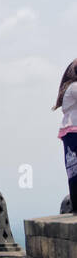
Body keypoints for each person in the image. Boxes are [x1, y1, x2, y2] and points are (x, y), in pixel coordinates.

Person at [54, 58, 77, 213]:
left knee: (74, 170)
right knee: (74, 170)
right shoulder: (74, 88)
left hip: (72, 131)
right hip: (73, 131)